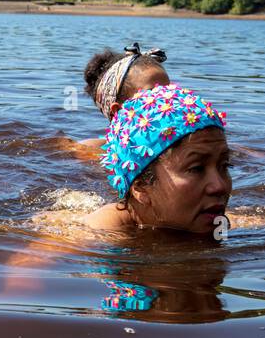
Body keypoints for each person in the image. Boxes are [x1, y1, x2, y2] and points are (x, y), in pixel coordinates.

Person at [84, 82, 232, 237]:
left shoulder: (220, 223)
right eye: (196, 168)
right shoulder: (100, 234)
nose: (219, 187)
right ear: (140, 188)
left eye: (225, 166)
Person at [71, 43, 171, 157]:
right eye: (151, 94)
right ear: (117, 112)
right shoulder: (91, 153)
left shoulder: (182, 145)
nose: (166, 99)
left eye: (168, 91)